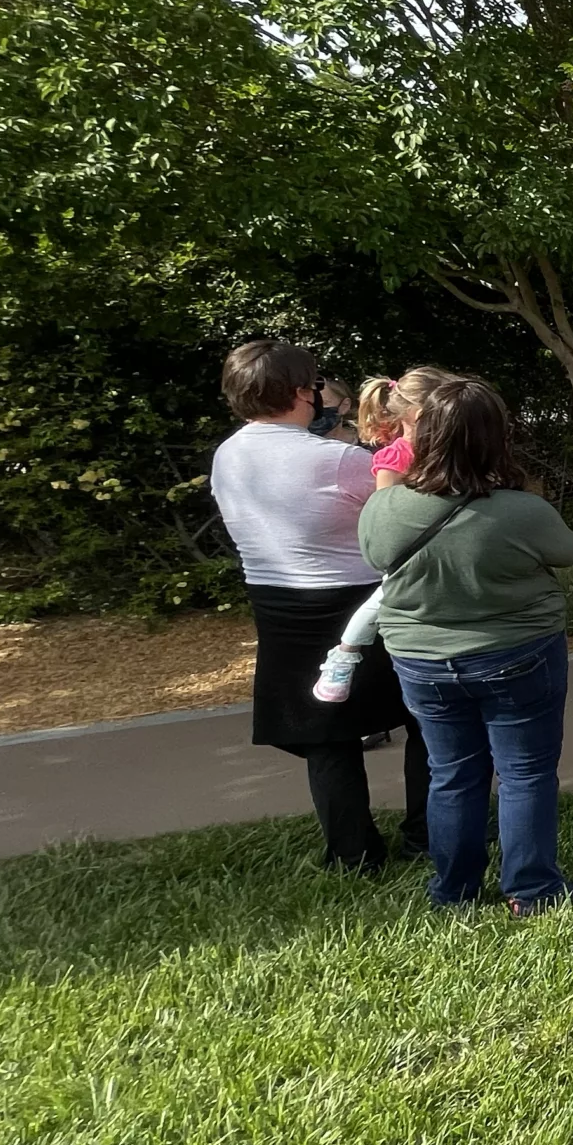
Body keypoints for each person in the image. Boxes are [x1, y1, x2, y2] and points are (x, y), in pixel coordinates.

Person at [361, 376, 573, 914]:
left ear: (423, 432)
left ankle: (454, 892)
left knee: (453, 773)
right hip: (519, 653)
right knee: (526, 772)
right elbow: (568, 553)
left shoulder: (386, 505)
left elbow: (374, 559)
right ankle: (531, 890)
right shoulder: (521, 510)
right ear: (495, 438)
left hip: (421, 662)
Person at [209, 341, 427, 875]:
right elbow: (406, 513)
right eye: (311, 385)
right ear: (298, 393)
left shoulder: (227, 455)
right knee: (426, 718)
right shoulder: (338, 460)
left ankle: (353, 855)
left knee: (326, 736)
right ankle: (428, 833)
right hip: (359, 604)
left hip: (277, 606)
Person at [313, 366, 454, 703]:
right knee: (383, 596)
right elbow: (383, 511)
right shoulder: (395, 457)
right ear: (422, 414)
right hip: (411, 549)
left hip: (444, 546)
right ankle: (344, 654)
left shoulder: (448, 451)